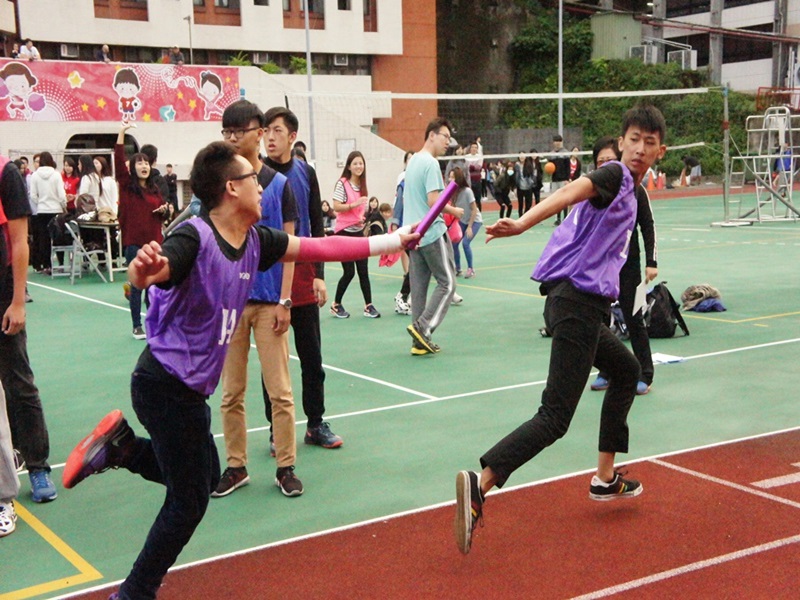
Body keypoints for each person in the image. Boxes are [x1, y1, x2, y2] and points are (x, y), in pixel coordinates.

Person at [60, 139, 416, 600]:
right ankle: (133, 592)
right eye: (254, 177)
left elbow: (321, 245)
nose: (262, 184)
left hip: (184, 392)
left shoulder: (255, 241)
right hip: (164, 386)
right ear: (232, 188)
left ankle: (122, 448)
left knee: (203, 477)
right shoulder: (194, 236)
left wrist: (393, 239)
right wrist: (141, 273)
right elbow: (159, 267)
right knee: (188, 502)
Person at [454, 104, 667, 555]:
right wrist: (524, 222)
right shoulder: (614, 176)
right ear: (622, 141)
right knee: (555, 417)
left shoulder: (631, 191)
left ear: (659, 151)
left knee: (627, 371)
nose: (640, 149)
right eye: (634, 139)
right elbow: (575, 189)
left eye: (649, 143)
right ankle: (481, 482)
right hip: (576, 305)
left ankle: (606, 479)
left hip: (579, 307)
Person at [213, 99, 302, 499]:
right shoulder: (220, 183)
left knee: (279, 391)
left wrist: (285, 301)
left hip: (269, 303)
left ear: (259, 132)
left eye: (239, 131)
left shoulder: (280, 186)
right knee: (231, 392)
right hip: (231, 304)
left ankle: (286, 466)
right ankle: (236, 466)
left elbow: (291, 247)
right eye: (226, 132)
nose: (232, 139)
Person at [262, 105, 344, 450]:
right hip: (267, 278)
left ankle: (315, 423)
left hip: (304, 273)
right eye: (266, 130)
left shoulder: (305, 173)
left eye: (277, 130)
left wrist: (320, 275)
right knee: (272, 364)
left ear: (292, 136)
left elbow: (317, 224)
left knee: (311, 356)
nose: (269, 136)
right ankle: (275, 430)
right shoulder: (255, 175)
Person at [0, 150, 57, 504]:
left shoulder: (6, 173)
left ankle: (37, 465)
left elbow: (20, 242)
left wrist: (18, 301)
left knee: (18, 382)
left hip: (3, 293)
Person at [590, 136, 658, 396]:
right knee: (601, 318)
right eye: (600, 161)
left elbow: (648, 225)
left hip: (629, 263)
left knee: (634, 316)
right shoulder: (594, 192)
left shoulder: (635, 189)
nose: (605, 164)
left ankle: (645, 373)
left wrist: (651, 262)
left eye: (609, 160)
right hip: (603, 265)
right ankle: (607, 369)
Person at [403, 117, 463, 356]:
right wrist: (453, 210)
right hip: (431, 232)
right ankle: (423, 327)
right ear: (431, 136)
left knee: (418, 289)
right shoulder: (430, 164)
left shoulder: (413, 162)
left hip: (414, 235)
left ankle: (419, 342)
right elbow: (432, 201)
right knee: (448, 283)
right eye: (445, 136)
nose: (448, 142)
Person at [116, 124, 170, 340]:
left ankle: (153, 323)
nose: (144, 165)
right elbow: (119, 161)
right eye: (139, 162)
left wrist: (164, 210)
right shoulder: (127, 186)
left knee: (155, 288)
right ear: (132, 167)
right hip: (135, 244)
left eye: (146, 162)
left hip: (155, 244)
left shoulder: (154, 190)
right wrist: (122, 134)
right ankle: (137, 326)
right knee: (137, 286)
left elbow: (160, 214)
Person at [330, 151, 380, 319]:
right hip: (344, 233)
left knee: (363, 270)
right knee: (349, 272)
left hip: (357, 232)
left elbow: (358, 212)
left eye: (361, 163)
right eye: (356, 163)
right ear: (349, 166)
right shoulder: (342, 184)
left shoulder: (362, 186)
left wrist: (360, 219)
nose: (359, 166)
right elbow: (336, 207)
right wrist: (353, 205)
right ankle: (336, 304)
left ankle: (369, 305)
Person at [28, 152, 66, 273]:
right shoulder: (56, 175)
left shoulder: (35, 176)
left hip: (42, 210)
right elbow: (61, 194)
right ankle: (60, 264)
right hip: (56, 210)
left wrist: (40, 202)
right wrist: (63, 204)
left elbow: (32, 195)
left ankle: (46, 265)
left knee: (44, 239)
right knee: (58, 237)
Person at [449, 167, 482, 279]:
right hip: (462, 221)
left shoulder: (467, 192)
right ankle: (457, 269)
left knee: (465, 243)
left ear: (458, 178)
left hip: (474, 221)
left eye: (452, 177)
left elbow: (473, 209)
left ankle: (471, 269)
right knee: (454, 244)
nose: (450, 179)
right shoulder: (452, 192)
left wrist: (469, 227)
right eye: (449, 177)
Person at [392, 151, 413, 315]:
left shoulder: (420, 181)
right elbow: (399, 205)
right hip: (408, 230)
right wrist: (395, 225)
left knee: (419, 267)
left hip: (421, 230)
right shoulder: (404, 184)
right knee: (417, 266)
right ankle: (402, 296)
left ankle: (406, 296)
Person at [550, 134, 570, 225]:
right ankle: (557, 218)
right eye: (556, 141)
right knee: (556, 199)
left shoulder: (565, 153)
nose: (557, 143)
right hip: (555, 179)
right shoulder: (551, 154)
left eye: (559, 141)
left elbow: (568, 167)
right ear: (553, 143)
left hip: (563, 179)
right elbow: (549, 167)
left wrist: (567, 178)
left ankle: (565, 217)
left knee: (564, 199)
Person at [515, 152, 535, 217]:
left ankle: (525, 216)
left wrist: (532, 182)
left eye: (523, 156)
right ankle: (520, 217)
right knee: (520, 204)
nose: (522, 157)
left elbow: (532, 175)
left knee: (528, 204)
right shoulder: (516, 165)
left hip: (528, 187)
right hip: (520, 187)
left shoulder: (529, 165)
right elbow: (514, 176)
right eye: (520, 156)